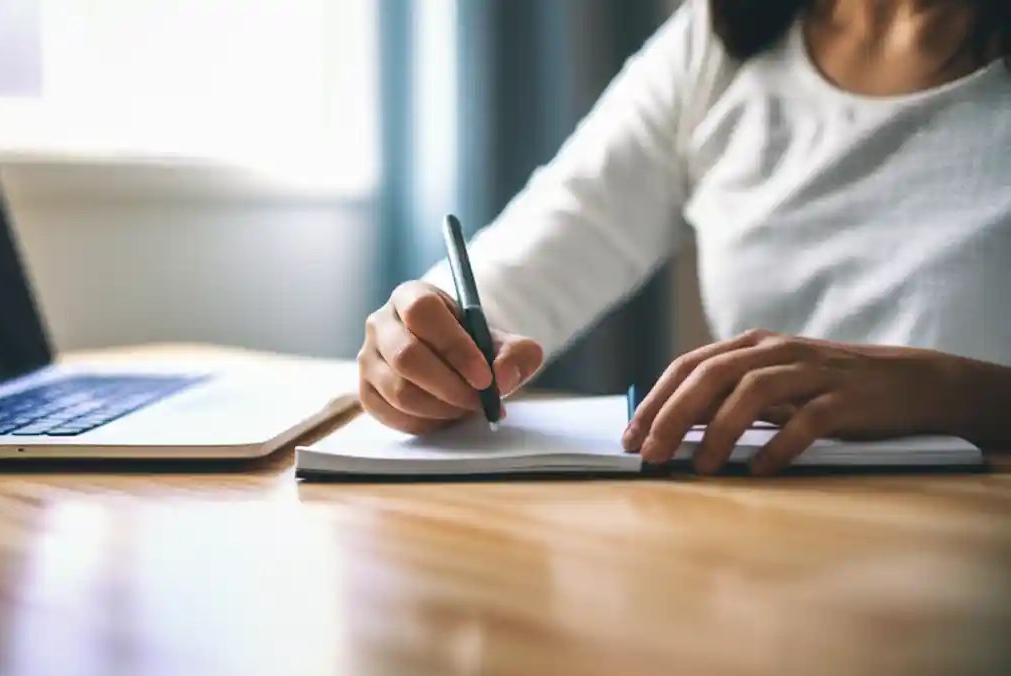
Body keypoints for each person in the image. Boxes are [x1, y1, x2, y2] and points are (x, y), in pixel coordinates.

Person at [358, 0, 1011, 475]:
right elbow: (522, 268)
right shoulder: (720, 42)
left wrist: (962, 395)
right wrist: (421, 340)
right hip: (769, 551)